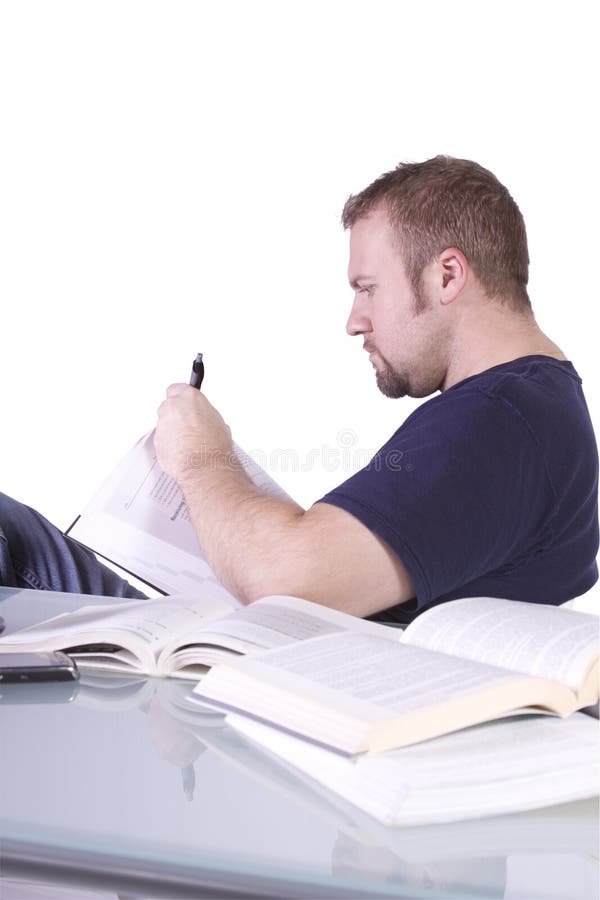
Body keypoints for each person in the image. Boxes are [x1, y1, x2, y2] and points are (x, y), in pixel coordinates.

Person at [1, 156, 597, 622]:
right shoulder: (537, 412)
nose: (354, 320)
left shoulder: (500, 419)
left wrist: (201, 457)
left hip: (272, 685)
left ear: (447, 275)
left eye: (367, 287)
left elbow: (285, 580)